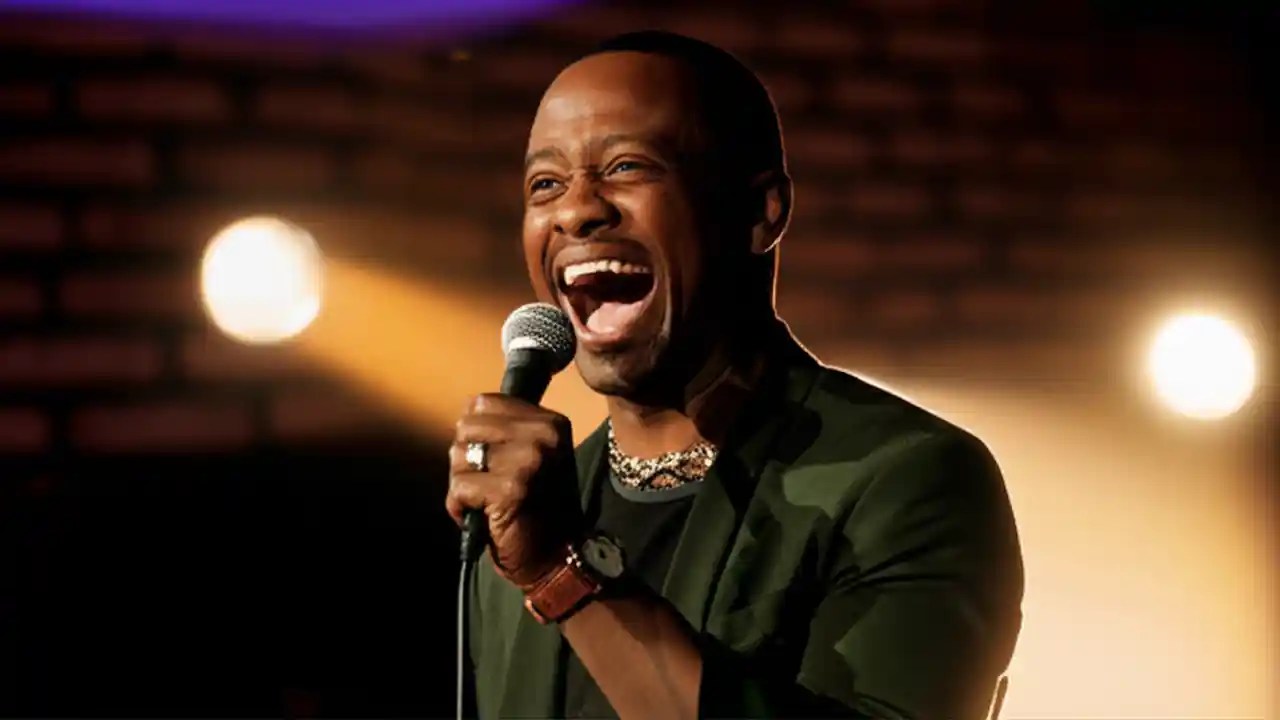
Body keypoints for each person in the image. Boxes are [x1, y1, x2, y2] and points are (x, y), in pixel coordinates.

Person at [445, 30, 1023, 719]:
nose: (576, 209)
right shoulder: (513, 535)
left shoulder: (904, 479)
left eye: (629, 167)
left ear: (759, 212)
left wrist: (563, 576)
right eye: (546, 183)